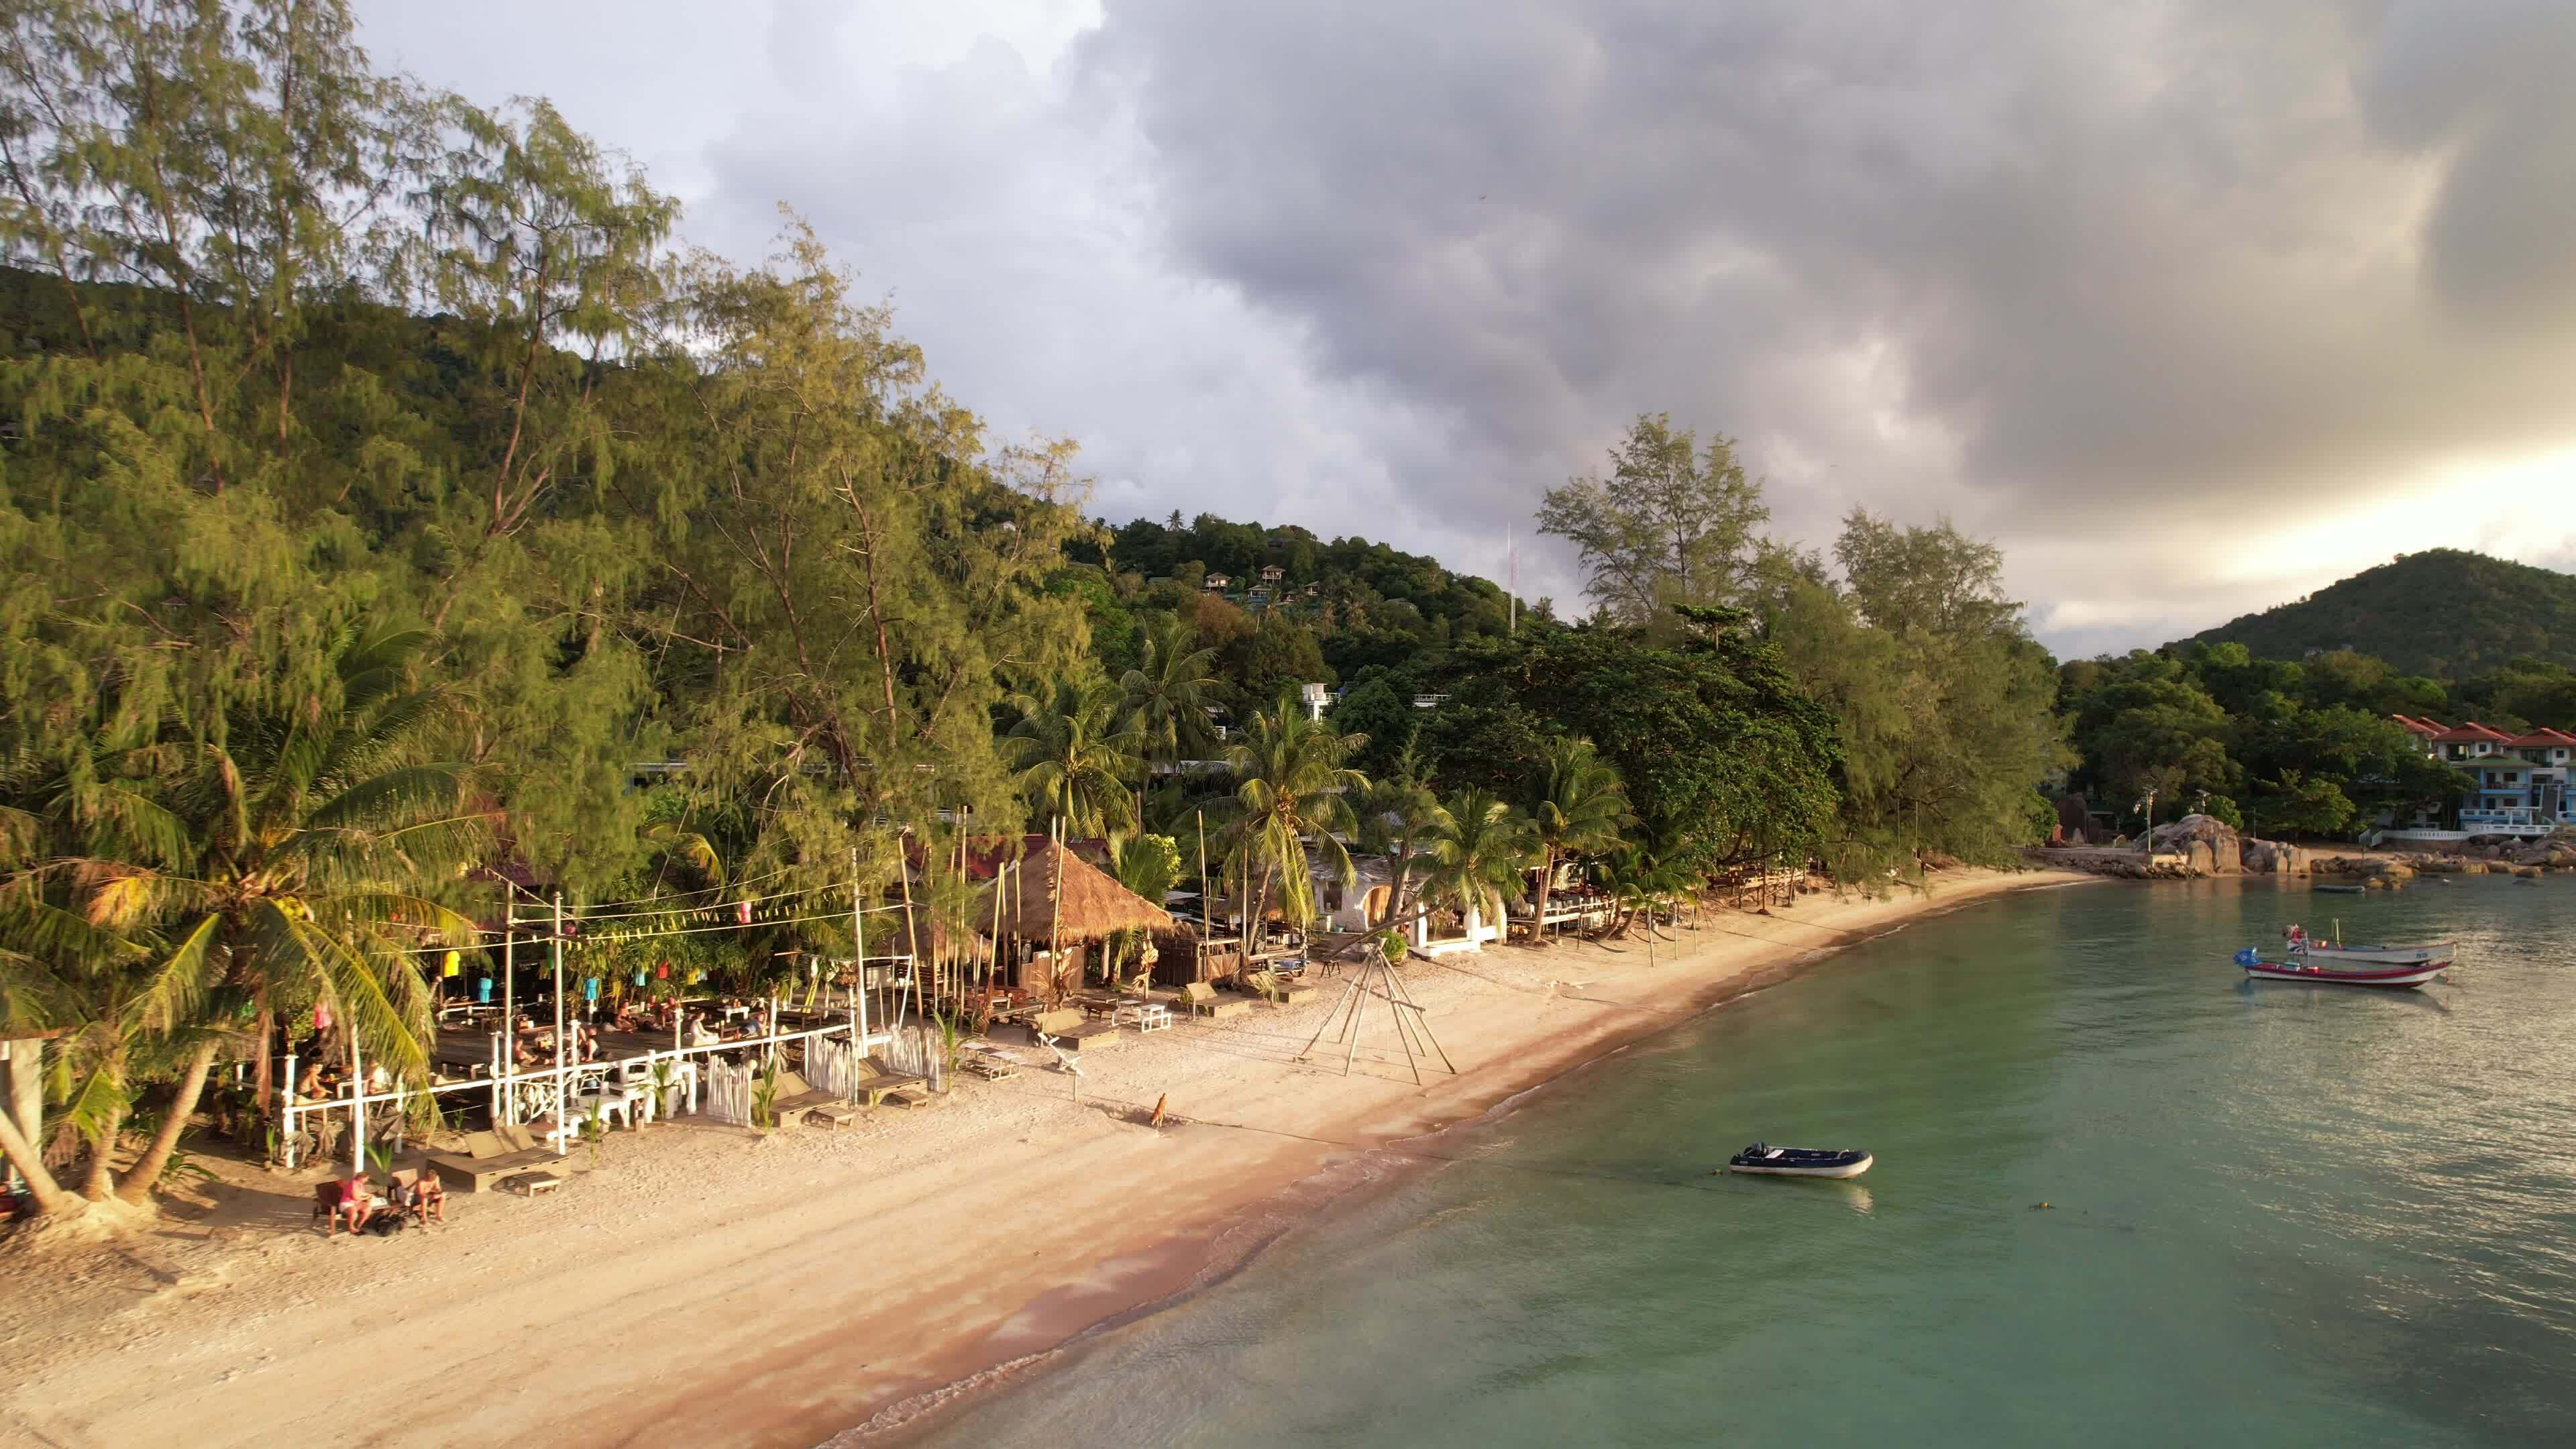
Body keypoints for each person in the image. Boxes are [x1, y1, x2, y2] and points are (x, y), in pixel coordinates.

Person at [335, 1169, 373, 1236]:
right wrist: (367, 1197)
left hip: (357, 1203)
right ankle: (351, 1227)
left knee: (368, 1208)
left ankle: (360, 1225)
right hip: (347, 1203)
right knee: (354, 1213)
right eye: (366, 1179)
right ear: (361, 1178)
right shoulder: (353, 1183)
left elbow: (362, 1194)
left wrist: (368, 1195)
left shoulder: (360, 1184)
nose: (367, 1180)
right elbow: (355, 1197)